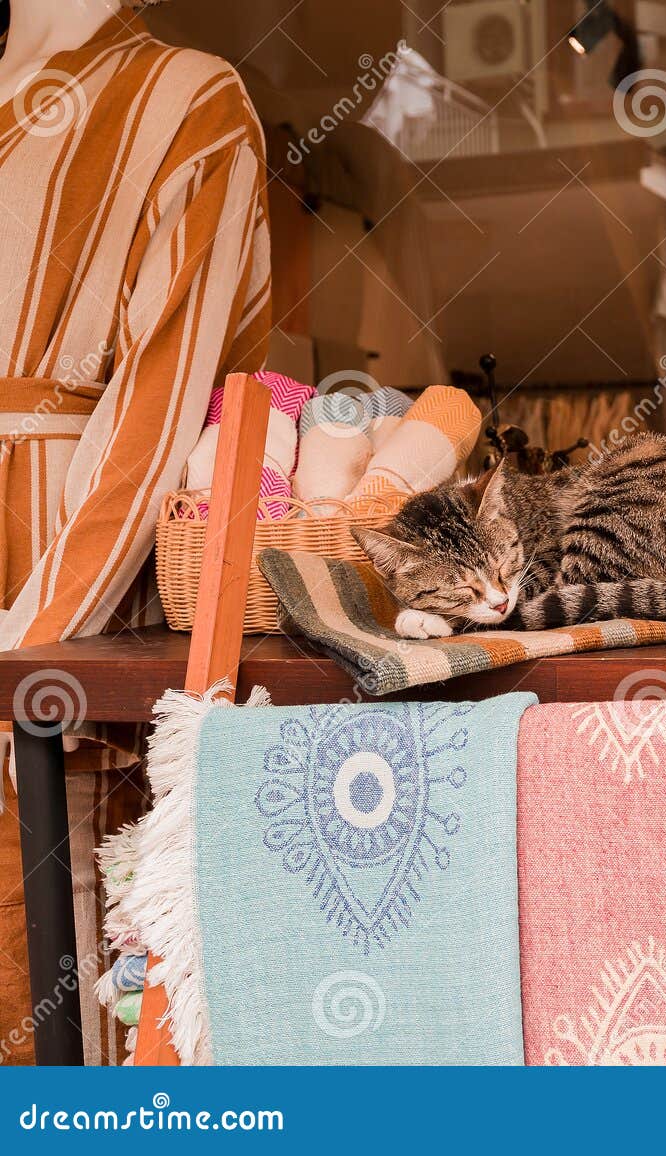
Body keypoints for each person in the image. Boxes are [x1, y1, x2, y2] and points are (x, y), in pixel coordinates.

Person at [0, 0, 270, 1063]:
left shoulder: (185, 103)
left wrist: (24, 661)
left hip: (54, 585)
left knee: (61, 1003)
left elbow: (155, 424)